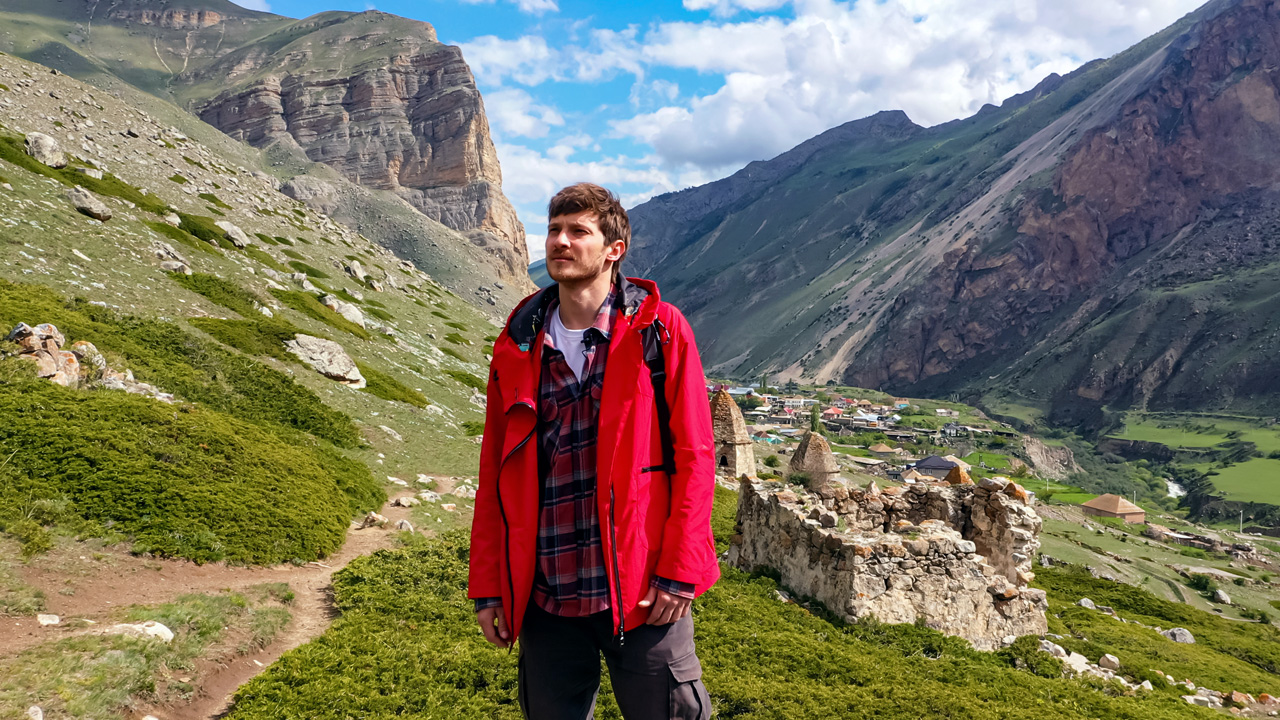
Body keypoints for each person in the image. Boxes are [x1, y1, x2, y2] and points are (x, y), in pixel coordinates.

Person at [469, 182, 719, 719]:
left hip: (643, 591)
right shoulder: (517, 345)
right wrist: (490, 586)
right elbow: (495, 474)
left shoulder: (660, 332)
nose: (560, 241)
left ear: (613, 250)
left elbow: (696, 457)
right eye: (554, 230)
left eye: (578, 231)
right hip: (546, 595)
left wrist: (681, 571)